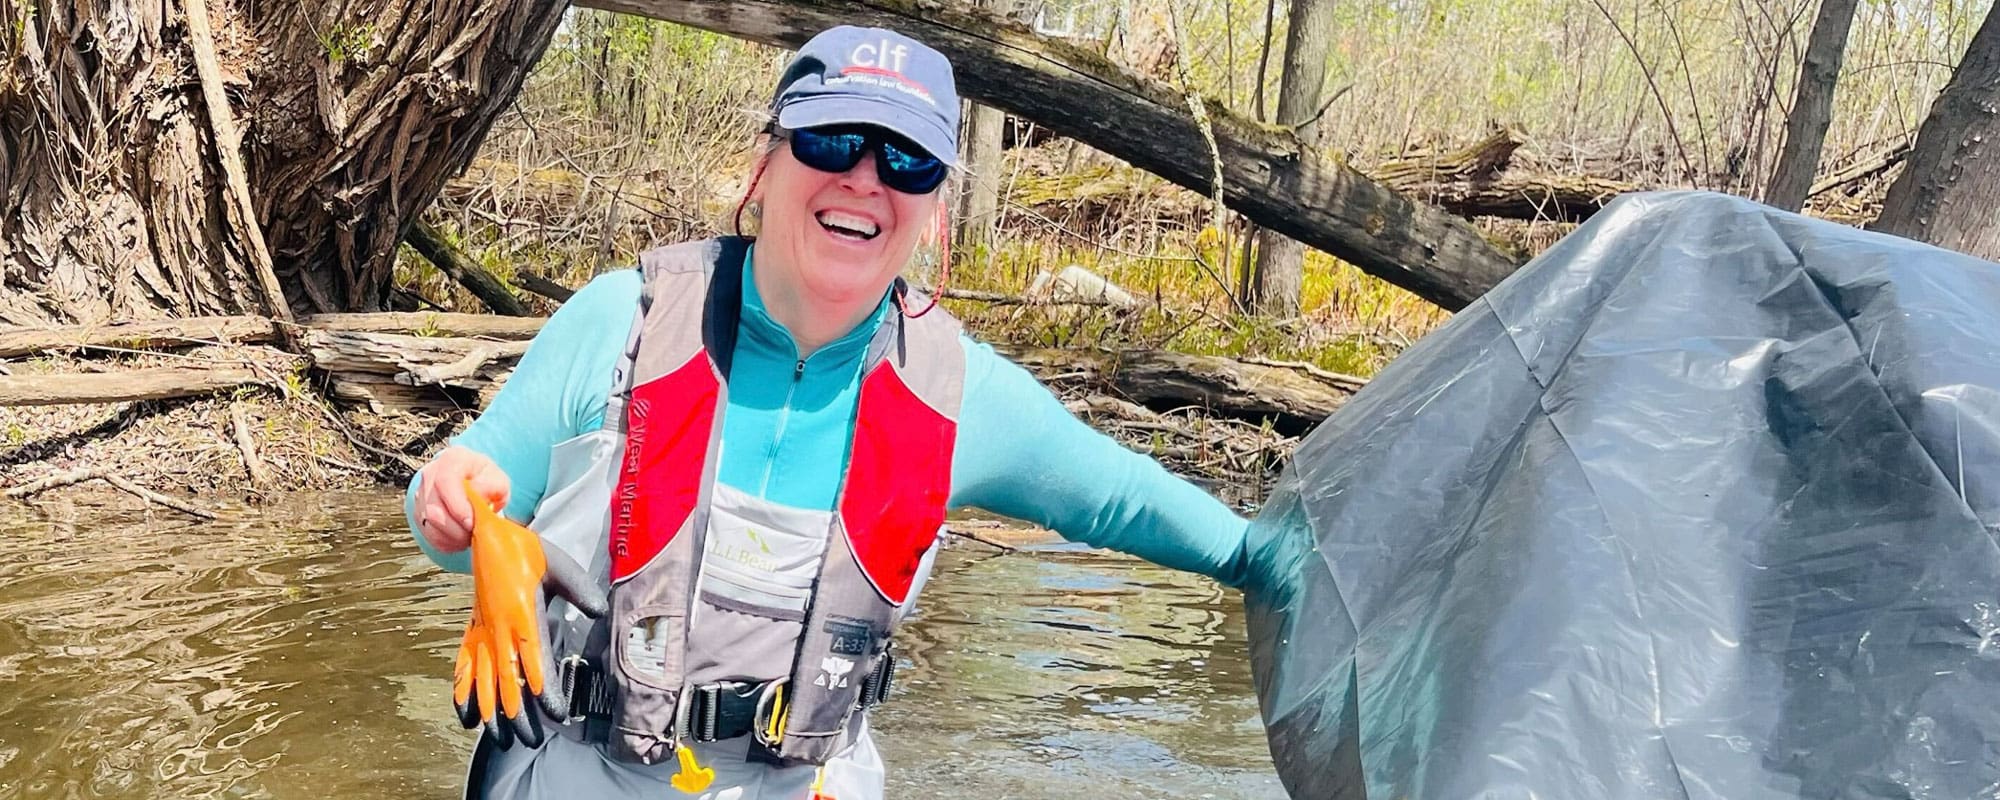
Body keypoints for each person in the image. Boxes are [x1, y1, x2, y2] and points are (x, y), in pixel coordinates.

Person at [406, 25, 1253, 800]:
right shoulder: (615, 322)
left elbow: (1126, 501)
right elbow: (440, 503)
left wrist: (1280, 563)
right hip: (577, 771)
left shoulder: (966, 396)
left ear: (934, 211)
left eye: (907, 160)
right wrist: (471, 520)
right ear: (767, 162)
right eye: (833, 141)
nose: (865, 179)